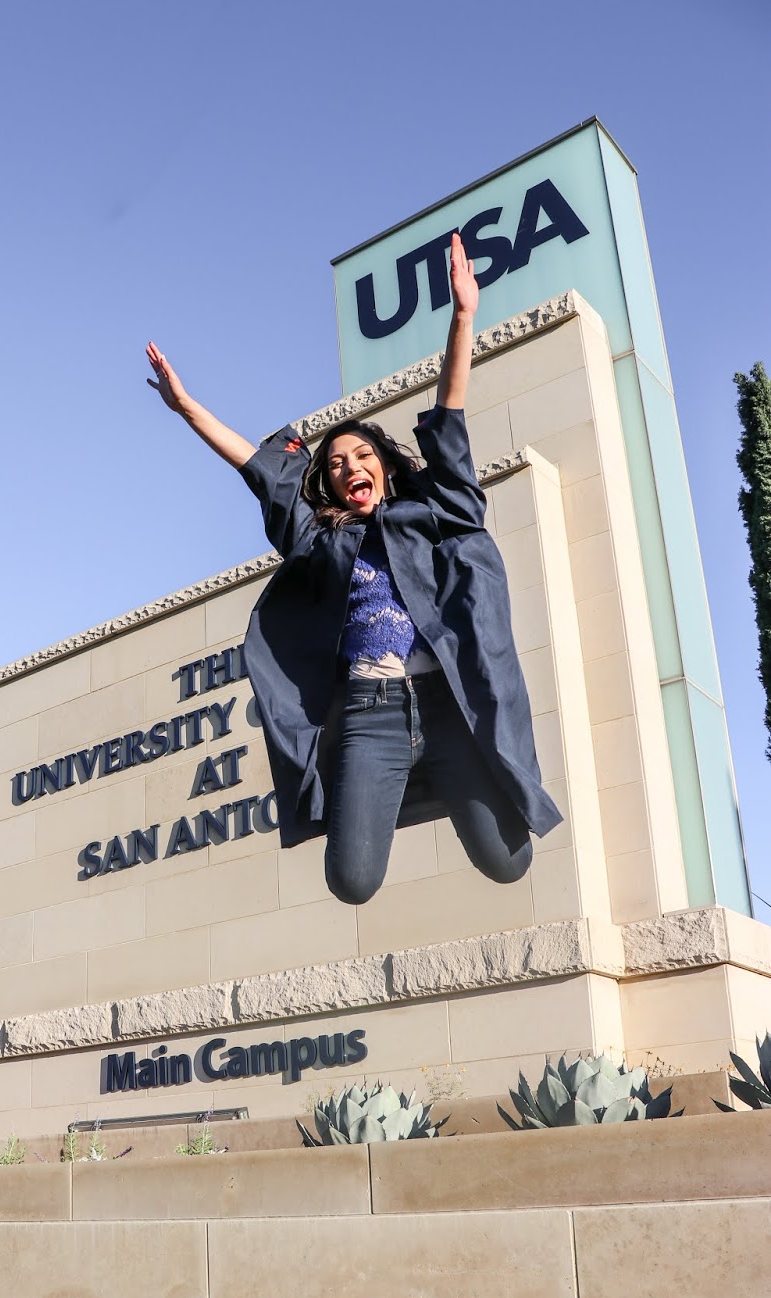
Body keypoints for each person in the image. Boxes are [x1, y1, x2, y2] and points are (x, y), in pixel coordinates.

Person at [146, 234, 562, 905]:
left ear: (385, 467)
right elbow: (258, 470)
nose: (349, 467)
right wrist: (187, 407)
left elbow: (449, 419)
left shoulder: (436, 511)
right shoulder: (318, 538)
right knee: (352, 880)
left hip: (448, 706)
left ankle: (443, 779)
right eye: (336, 463)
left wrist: (463, 317)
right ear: (330, 484)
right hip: (373, 713)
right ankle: (390, 782)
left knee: (509, 863)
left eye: (361, 456)